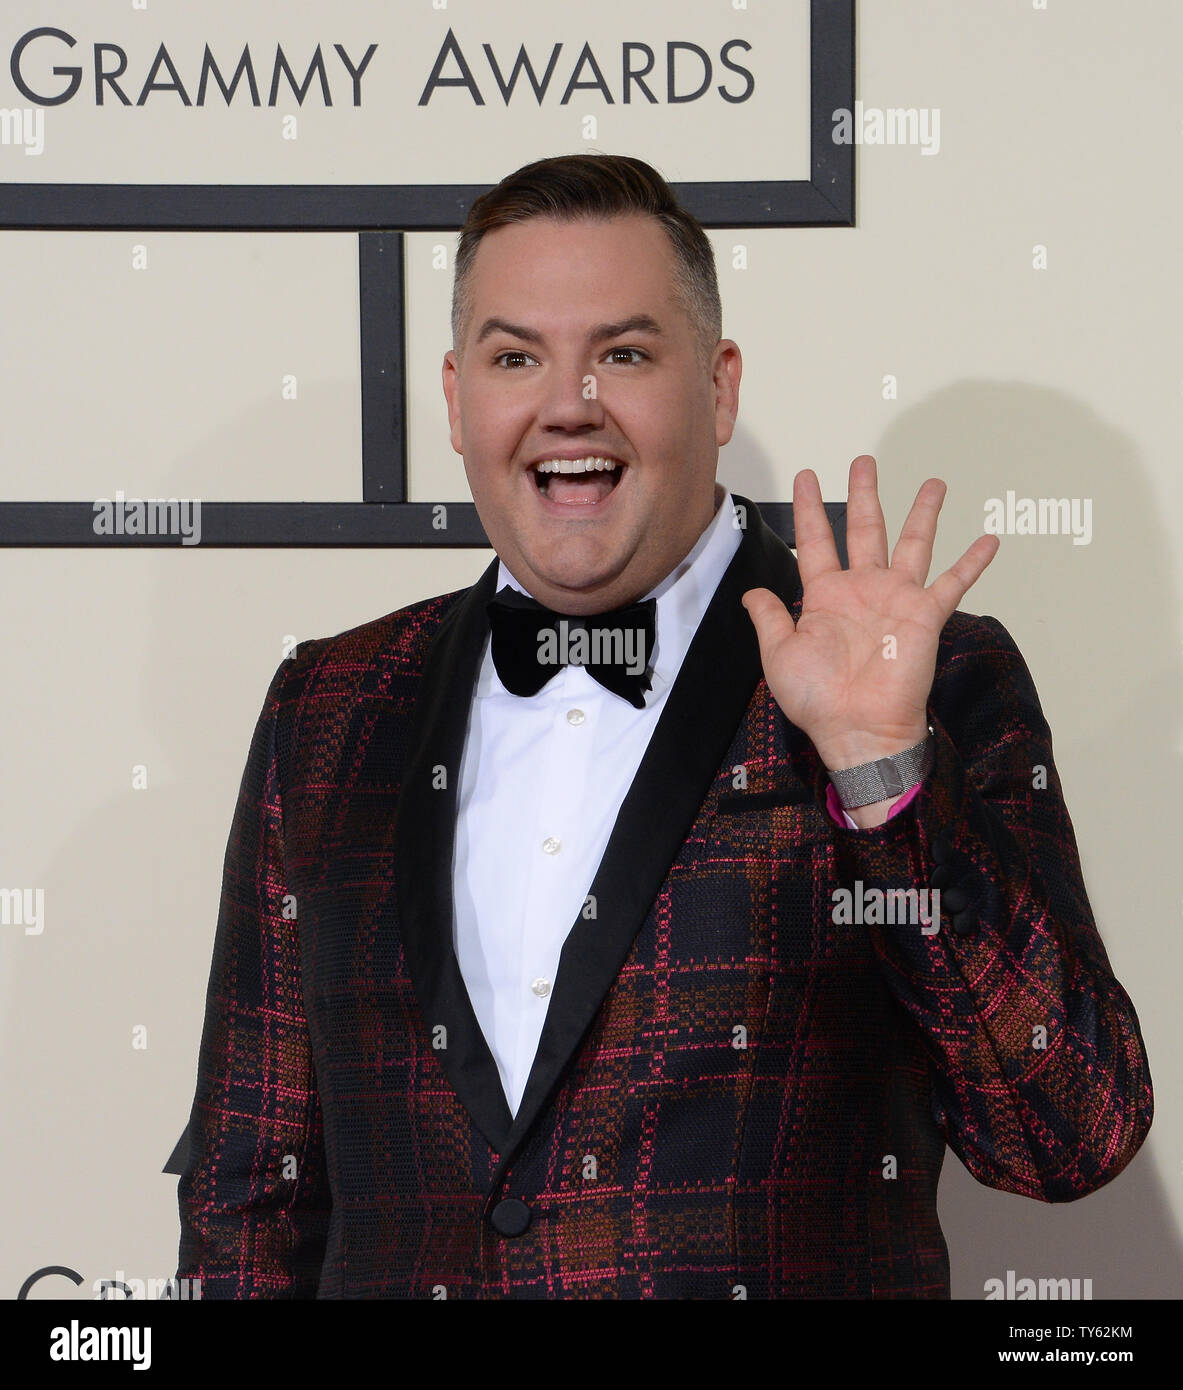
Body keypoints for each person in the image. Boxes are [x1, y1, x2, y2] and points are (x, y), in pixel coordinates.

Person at [176, 152, 1152, 1299]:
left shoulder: (926, 681)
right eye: (515, 356)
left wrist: (880, 772)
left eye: (624, 354)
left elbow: (1065, 1133)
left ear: (719, 386)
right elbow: (248, 1194)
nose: (567, 404)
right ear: (454, 397)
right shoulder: (329, 709)